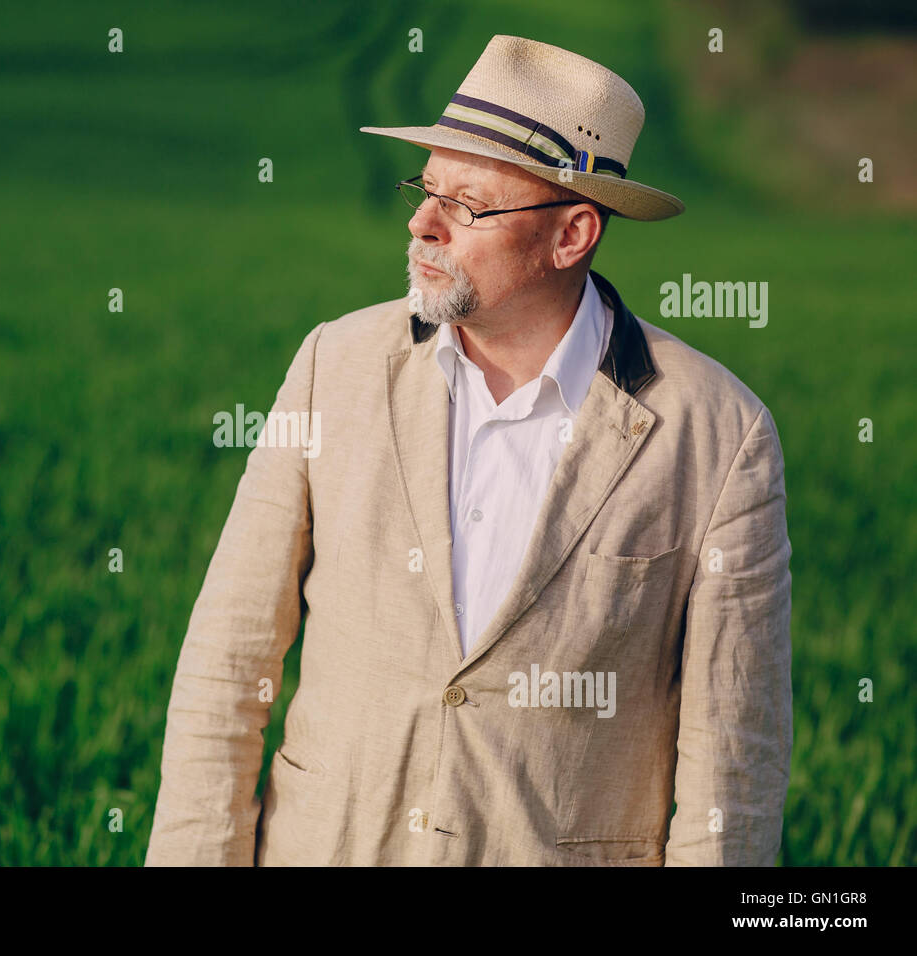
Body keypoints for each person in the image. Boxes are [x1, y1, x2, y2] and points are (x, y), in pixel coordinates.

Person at [145, 34, 792, 866]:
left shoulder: (719, 431)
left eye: (468, 204)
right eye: (426, 188)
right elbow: (228, 662)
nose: (422, 223)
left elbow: (734, 763)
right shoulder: (331, 366)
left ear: (572, 235)